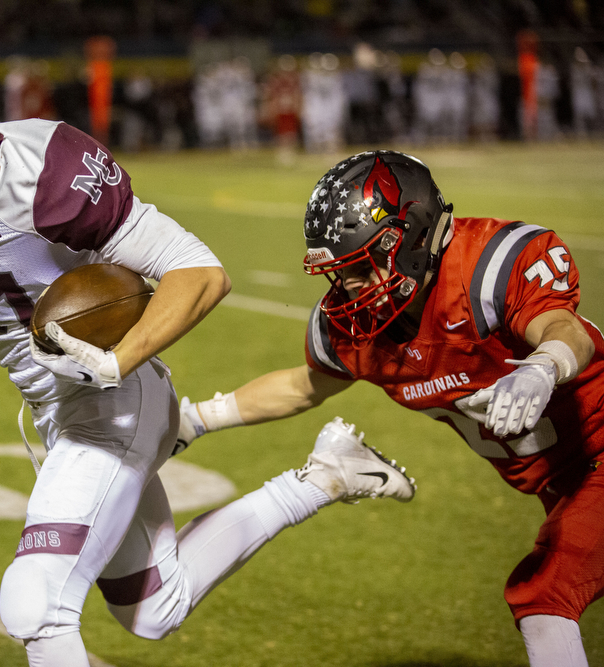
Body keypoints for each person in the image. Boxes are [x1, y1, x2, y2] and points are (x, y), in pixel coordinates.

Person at [0, 36, 416, 667]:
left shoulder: (44, 171)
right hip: (56, 412)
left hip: (115, 399)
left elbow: (198, 271)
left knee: (35, 603)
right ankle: (326, 476)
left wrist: (116, 361)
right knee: (153, 608)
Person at [179, 150, 604, 667]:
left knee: (543, 598)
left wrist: (543, 367)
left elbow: (564, 329)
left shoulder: (487, 267)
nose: (350, 289)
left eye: (359, 267)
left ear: (408, 241)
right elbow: (305, 385)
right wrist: (199, 418)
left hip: (597, 457)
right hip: (561, 483)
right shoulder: (363, 324)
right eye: (341, 273)